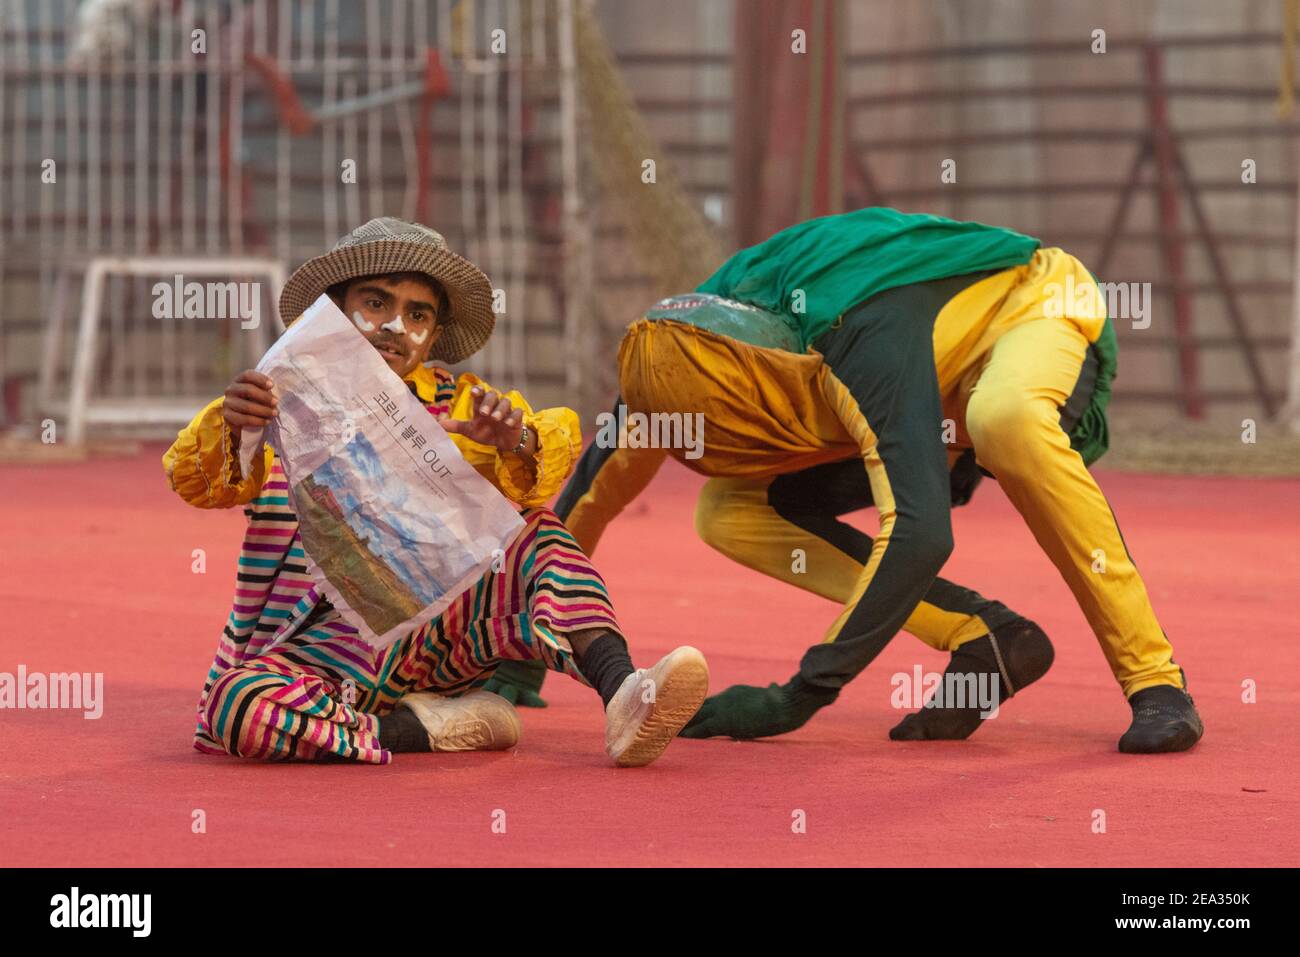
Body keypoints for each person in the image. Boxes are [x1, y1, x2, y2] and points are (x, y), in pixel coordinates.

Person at [547, 207, 1203, 754]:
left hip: (1034, 307)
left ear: (771, 378)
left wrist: (798, 695)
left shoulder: (856, 337)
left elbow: (920, 532)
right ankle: (990, 637)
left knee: (1003, 419)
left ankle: (1156, 681)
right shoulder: (666, 361)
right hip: (913, 363)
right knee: (726, 510)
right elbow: (581, 509)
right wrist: (524, 653)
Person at [162, 217, 708, 767]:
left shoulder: (460, 403)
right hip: (317, 660)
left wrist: (515, 440)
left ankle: (623, 694)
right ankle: (423, 728)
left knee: (534, 532)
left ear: (434, 333)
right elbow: (197, 482)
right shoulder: (273, 398)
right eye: (375, 303)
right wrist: (233, 424)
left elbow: (547, 459)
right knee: (236, 706)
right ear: (332, 307)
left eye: (417, 314)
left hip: (439, 646)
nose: (395, 325)